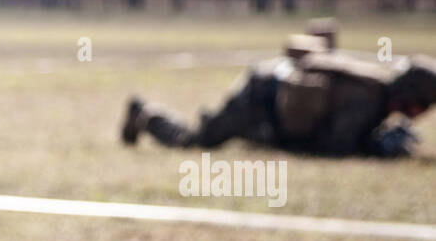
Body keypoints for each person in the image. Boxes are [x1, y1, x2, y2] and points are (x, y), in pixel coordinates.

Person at [121, 49, 436, 157]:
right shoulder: (369, 101)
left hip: (267, 96)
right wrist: (378, 149)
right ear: (413, 101)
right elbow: (335, 146)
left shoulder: (376, 91)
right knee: (195, 142)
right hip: (257, 100)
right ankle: (145, 115)